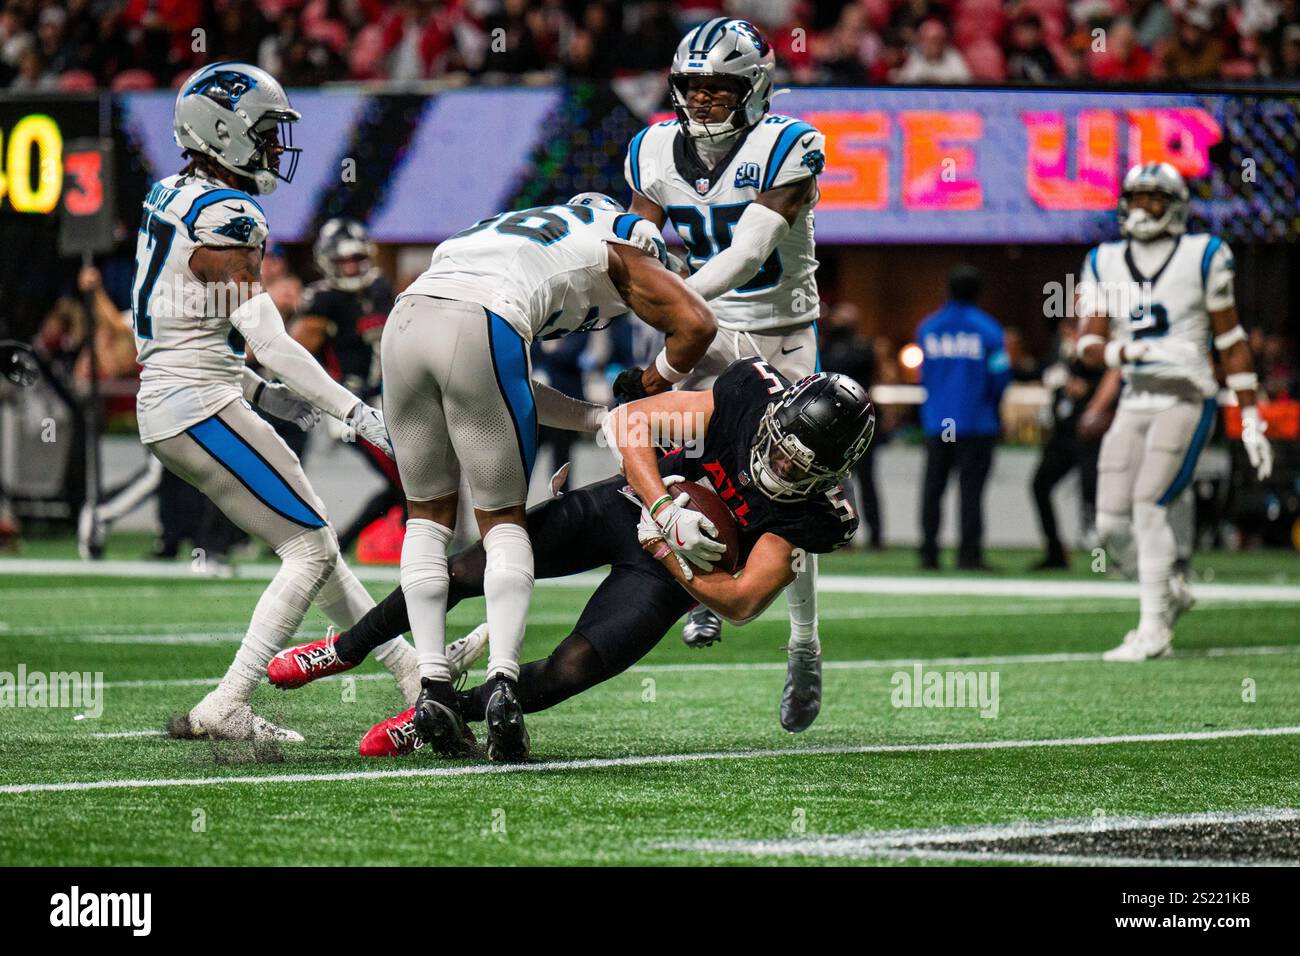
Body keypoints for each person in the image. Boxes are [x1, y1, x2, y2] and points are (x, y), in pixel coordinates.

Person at [269, 360, 875, 757]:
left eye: (803, 467)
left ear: (834, 473)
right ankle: (342, 649)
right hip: (630, 504)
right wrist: (660, 506)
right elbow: (632, 422)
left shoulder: (819, 514)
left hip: (675, 572)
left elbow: (742, 601)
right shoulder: (748, 395)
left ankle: (436, 713)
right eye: (783, 450)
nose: (781, 467)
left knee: (573, 668)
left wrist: (668, 552)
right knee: (465, 570)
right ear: (776, 415)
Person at [132, 63, 416, 743]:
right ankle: (228, 700)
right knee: (311, 549)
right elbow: (269, 339)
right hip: (196, 401)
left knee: (313, 541)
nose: (273, 150)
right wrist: (356, 412)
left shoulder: (169, 193)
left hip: (187, 393)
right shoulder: (231, 214)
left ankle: (411, 672)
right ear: (223, 133)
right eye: (263, 134)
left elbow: (193, 321)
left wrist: (266, 396)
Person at [378, 191, 715, 762]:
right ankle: (503, 686)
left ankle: (432, 686)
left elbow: (504, 387)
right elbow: (696, 323)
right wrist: (652, 383)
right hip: (483, 323)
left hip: (406, 318)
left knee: (427, 517)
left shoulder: (512, 235)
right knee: (504, 523)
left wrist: (596, 420)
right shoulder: (622, 243)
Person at [621, 18, 832, 731]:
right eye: (693, 86)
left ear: (755, 88)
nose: (704, 100)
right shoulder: (652, 147)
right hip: (703, 332)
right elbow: (637, 248)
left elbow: (746, 254)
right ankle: (701, 589)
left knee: (794, 499)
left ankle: (804, 644)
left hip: (779, 338)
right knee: (667, 462)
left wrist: (678, 305)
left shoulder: (788, 144)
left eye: (720, 87)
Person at [1077, 162, 1272, 661]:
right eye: (1136, 198)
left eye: (1153, 199)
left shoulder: (1203, 254)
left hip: (1187, 395)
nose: (1142, 208)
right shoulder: (1104, 259)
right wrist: (1123, 354)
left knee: (1149, 504)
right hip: (1134, 397)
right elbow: (1088, 344)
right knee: (1109, 525)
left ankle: (1152, 631)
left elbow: (1230, 342)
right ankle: (1170, 592)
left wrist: (1250, 417)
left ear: (1176, 206)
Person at [290, 217, 402, 552]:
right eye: (344, 261)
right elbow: (294, 355)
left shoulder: (381, 288)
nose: (352, 268)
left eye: (357, 259)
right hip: (349, 407)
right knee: (407, 481)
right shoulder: (321, 300)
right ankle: (423, 547)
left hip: (388, 400)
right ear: (328, 261)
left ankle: (340, 544)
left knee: (406, 482)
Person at [916, 265, 1011, 571]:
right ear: (978, 292)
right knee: (970, 491)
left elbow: (924, 375)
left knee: (933, 488)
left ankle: (928, 553)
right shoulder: (989, 330)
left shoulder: (928, 328)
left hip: (939, 420)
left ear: (948, 289)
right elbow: (1000, 377)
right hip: (976, 421)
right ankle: (969, 555)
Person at [1030, 322, 1105, 569]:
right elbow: (1044, 369)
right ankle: (1055, 552)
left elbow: (1117, 377)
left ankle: (1105, 559)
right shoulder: (1060, 344)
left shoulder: (1101, 334)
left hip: (1091, 432)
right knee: (1040, 485)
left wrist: (1088, 390)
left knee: (1095, 496)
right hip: (1064, 433)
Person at [819, 302, 882, 548]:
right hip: (832, 426)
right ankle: (839, 535)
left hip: (858, 424)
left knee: (866, 480)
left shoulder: (859, 348)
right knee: (832, 482)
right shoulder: (830, 347)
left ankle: (875, 536)